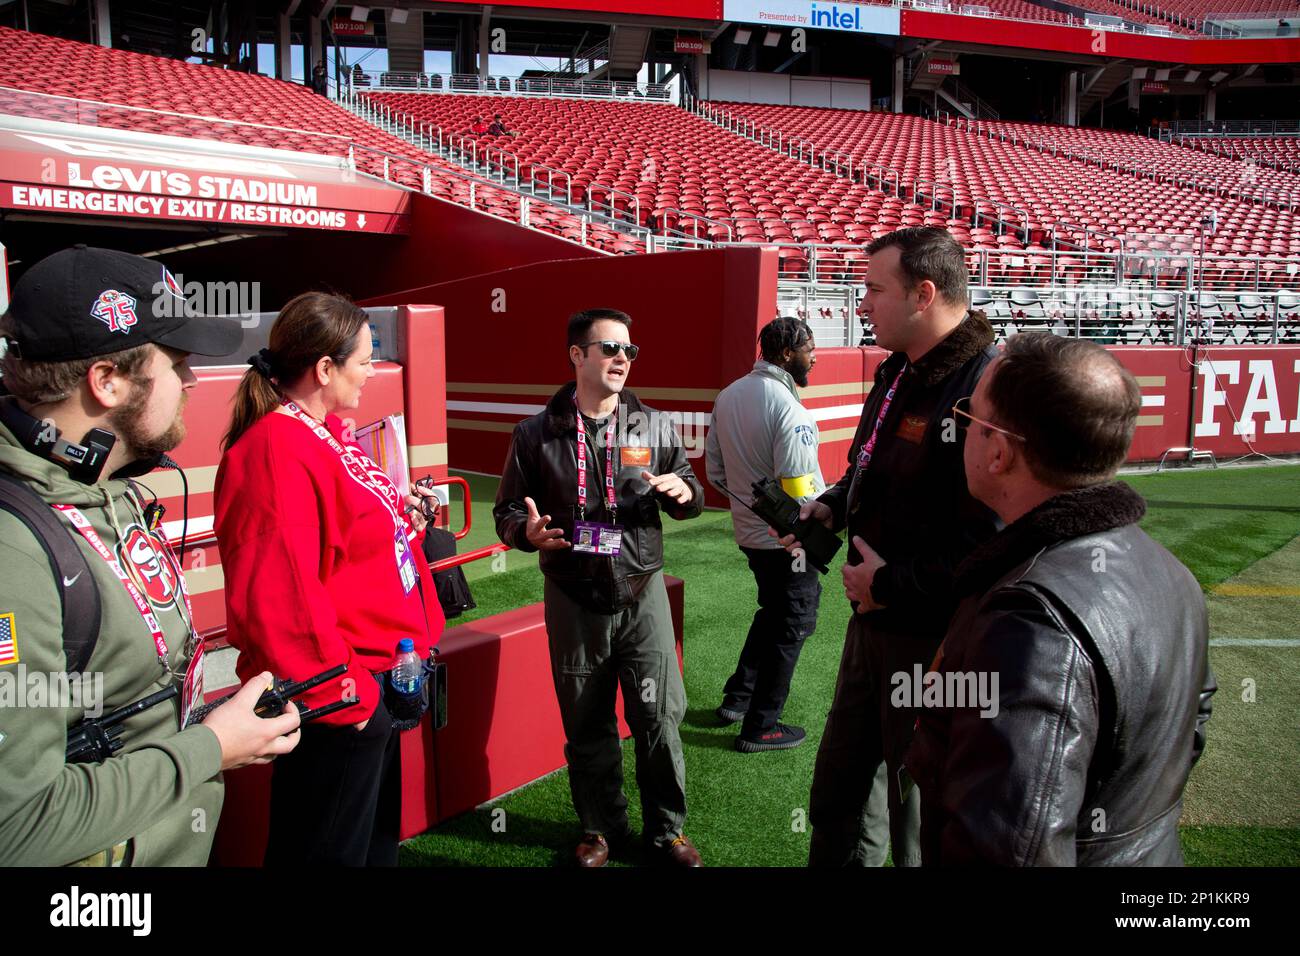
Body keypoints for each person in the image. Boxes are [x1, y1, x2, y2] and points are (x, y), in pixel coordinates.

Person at [0, 245, 301, 866]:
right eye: (179, 362)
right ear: (107, 381)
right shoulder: (13, 554)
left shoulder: (106, 486)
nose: (192, 382)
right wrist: (209, 749)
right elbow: (17, 826)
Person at [905, 333, 1217, 865]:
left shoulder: (1032, 620)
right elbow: (1192, 723)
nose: (962, 430)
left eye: (970, 416)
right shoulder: (1172, 572)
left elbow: (1011, 846)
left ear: (999, 451)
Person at [779, 227, 1000, 867]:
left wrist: (889, 584)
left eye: (874, 289)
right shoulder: (898, 369)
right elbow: (870, 466)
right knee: (841, 794)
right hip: (870, 625)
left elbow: (991, 541)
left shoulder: (987, 388)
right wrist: (837, 501)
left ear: (924, 293)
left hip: (937, 643)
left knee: (918, 816)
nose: (861, 303)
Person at [215, 292, 444, 867]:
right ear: (324, 369)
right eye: (365, 360)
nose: (372, 372)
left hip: (375, 681)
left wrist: (404, 521)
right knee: (326, 853)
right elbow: (281, 595)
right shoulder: (274, 447)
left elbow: (351, 545)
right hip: (339, 698)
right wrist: (351, 698)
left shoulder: (324, 433)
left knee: (368, 851)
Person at [494, 308, 704, 867]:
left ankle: (668, 833)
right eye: (609, 348)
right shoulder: (535, 433)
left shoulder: (654, 425)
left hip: (642, 589)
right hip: (573, 594)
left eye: (629, 351)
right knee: (586, 719)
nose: (621, 359)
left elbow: (690, 487)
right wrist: (525, 531)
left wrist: (683, 494)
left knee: (659, 718)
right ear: (577, 356)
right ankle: (600, 828)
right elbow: (508, 510)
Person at [706, 317, 824, 752]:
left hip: (751, 535)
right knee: (792, 624)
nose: (816, 357)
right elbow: (800, 487)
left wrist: (751, 509)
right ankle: (762, 725)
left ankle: (738, 699)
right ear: (788, 353)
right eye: (810, 348)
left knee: (773, 612)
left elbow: (716, 472)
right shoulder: (789, 407)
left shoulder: (729, 395)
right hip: (788, 541)